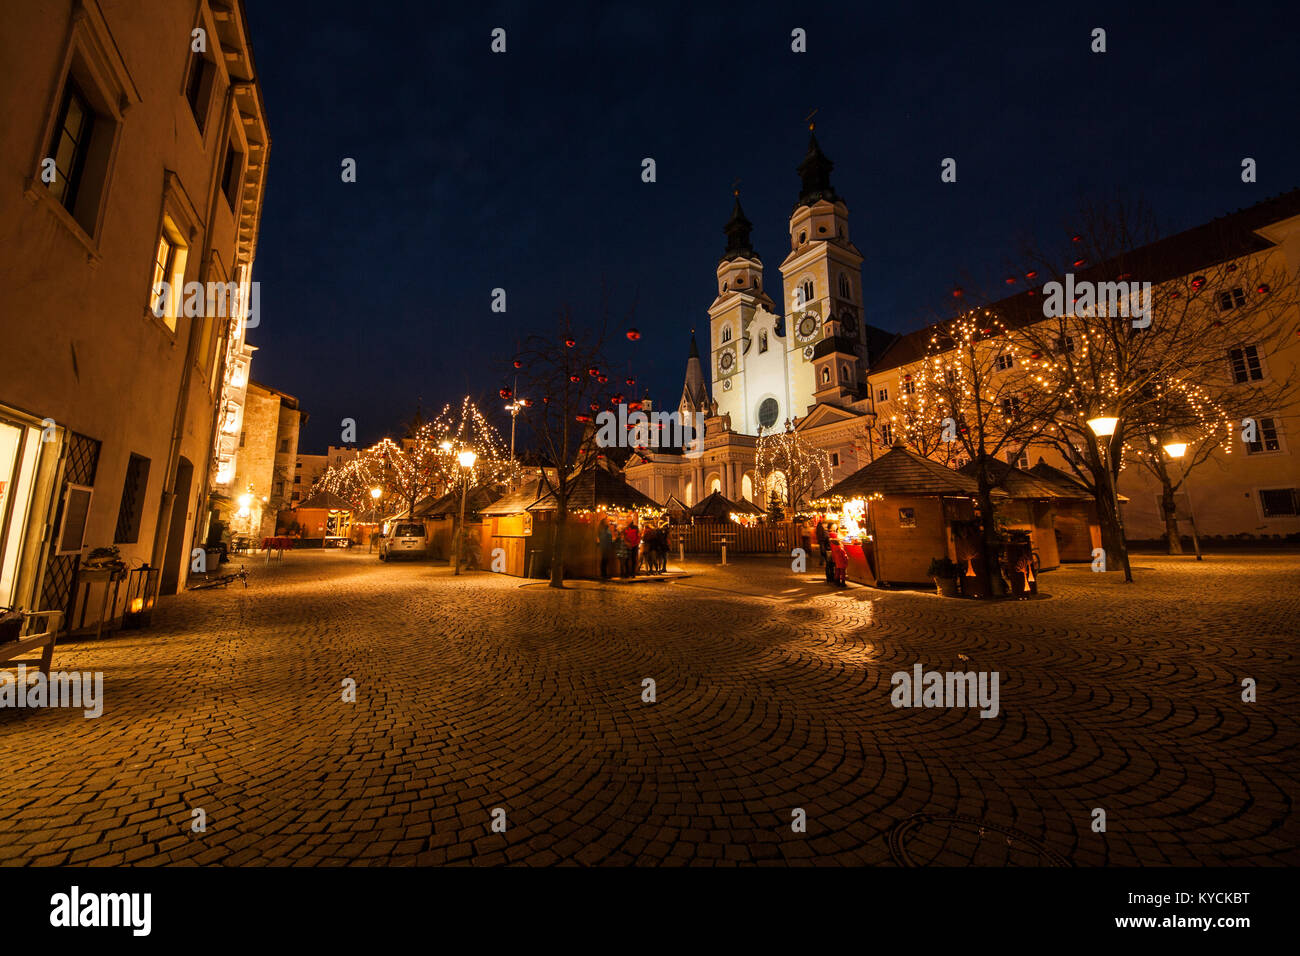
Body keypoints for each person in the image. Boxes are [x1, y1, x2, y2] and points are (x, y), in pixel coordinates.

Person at [815, 518, 833, 583]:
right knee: (828, 564)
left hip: (825, 549)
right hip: (826, 549)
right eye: (824, 524)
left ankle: (830, 577)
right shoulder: (824, 532)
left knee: (829, 564)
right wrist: (823, 549)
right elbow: (822, 541)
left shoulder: (823, 531)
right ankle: (829, 577)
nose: (825, 525)